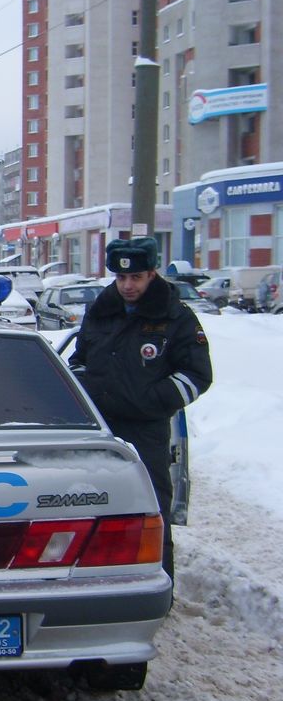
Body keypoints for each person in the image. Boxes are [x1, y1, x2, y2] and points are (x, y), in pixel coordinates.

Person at [69, 237, 213, 584]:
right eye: (121, 278)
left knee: (151, 513)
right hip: (100, 432)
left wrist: (149, 401)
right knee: (97, 509)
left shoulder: (175, 316)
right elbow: (79, 361)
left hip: (146, 433)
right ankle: (102, 588)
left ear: (152, 274)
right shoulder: (101, 310)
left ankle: (159, 592)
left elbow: (197, 375)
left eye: (136, 277)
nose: (128, 285)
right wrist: (86, 396)